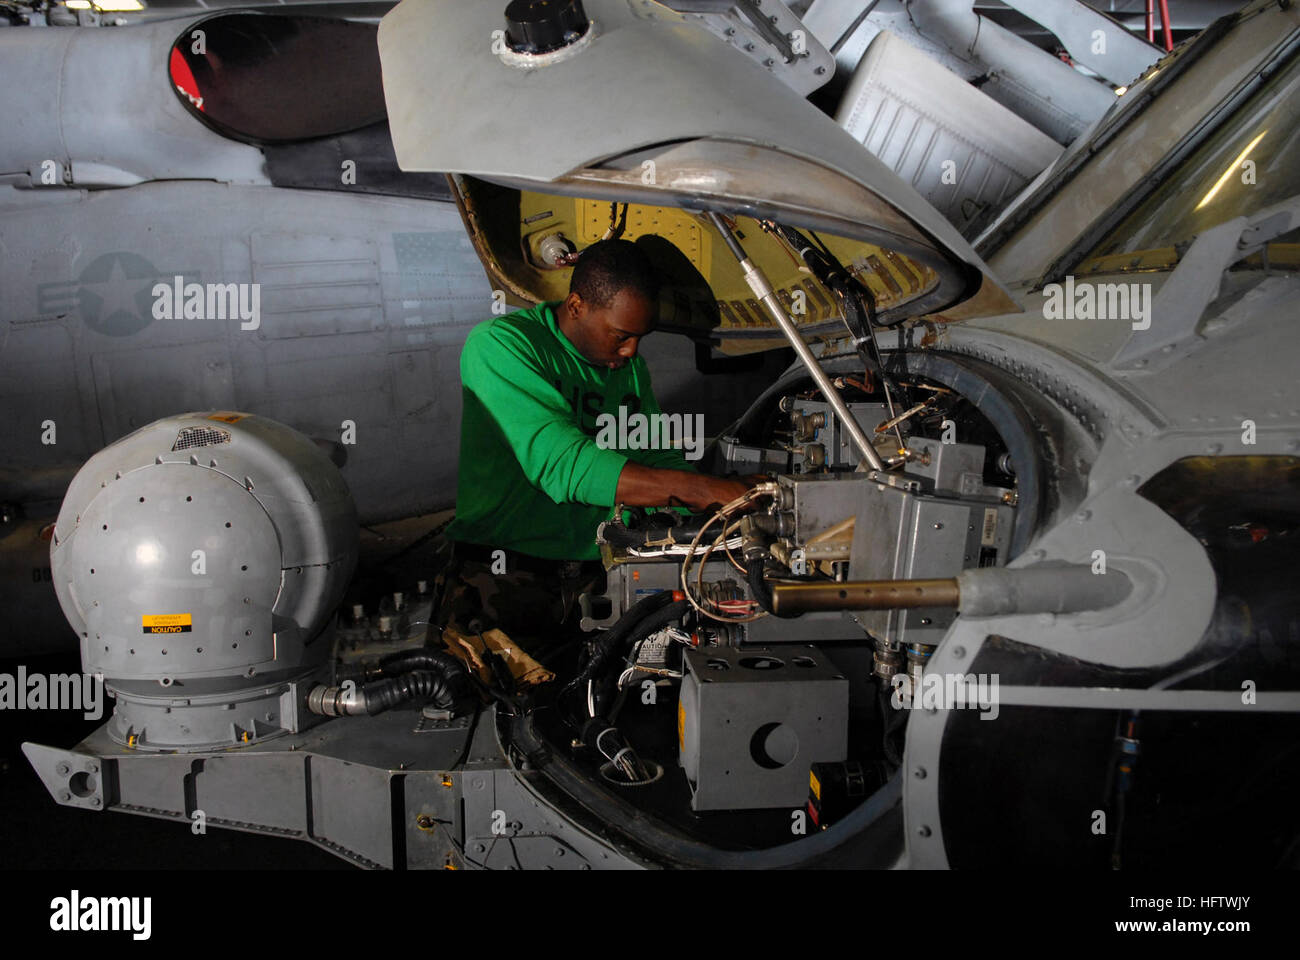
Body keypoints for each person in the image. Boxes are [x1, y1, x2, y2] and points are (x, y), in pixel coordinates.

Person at [436, 239, 751, 662]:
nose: (632, 351)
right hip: (505, 575)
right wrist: (704, 491)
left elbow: (655, 452)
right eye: (621, 336)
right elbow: (563, 465)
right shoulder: (502, 347)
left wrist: (724, 504)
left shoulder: (628, 369)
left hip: (597, 571)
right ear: (577, 305)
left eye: (639, 338)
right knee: (510, 708)